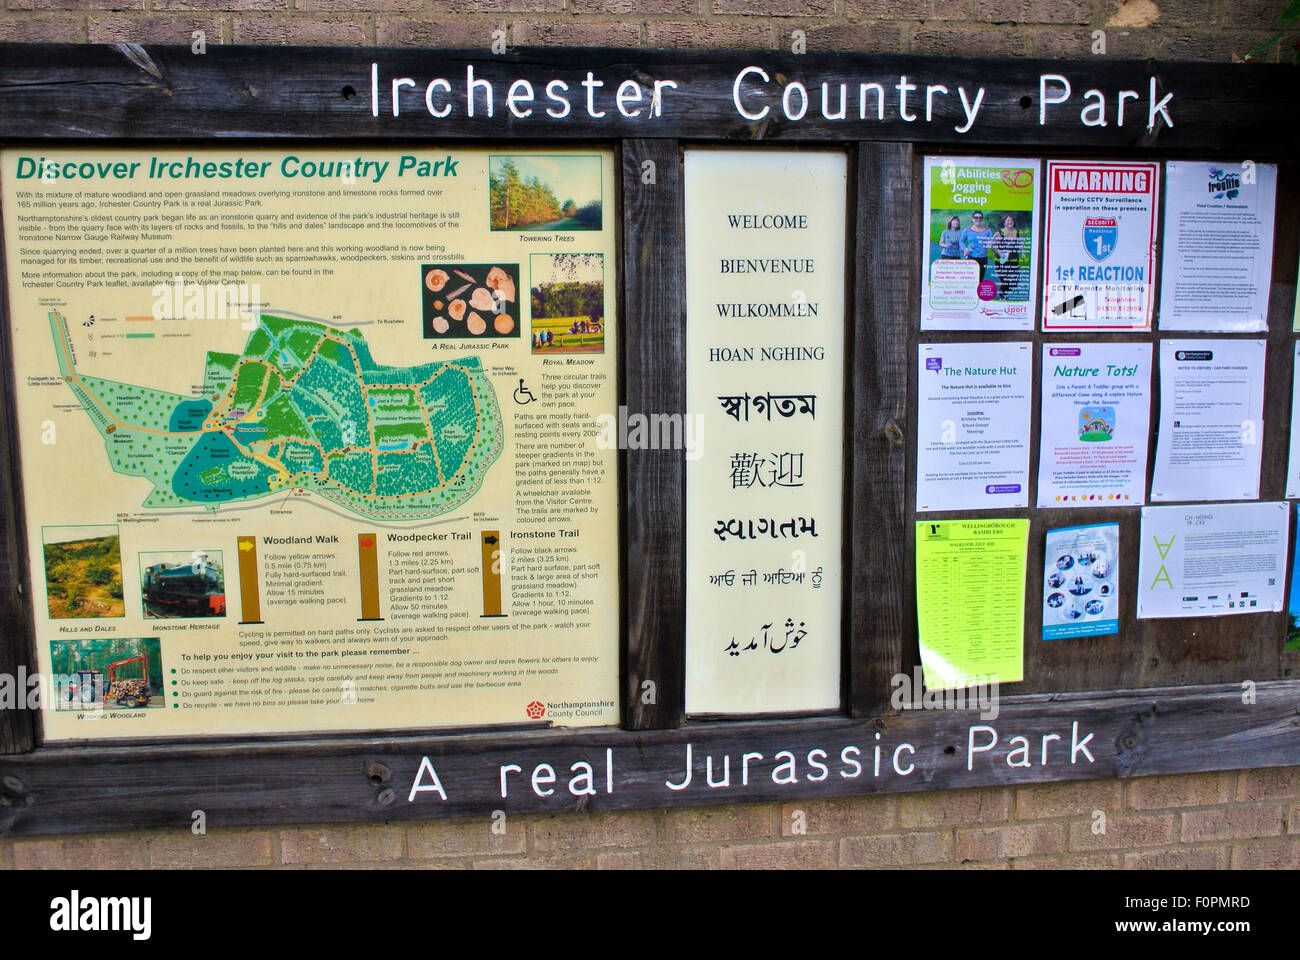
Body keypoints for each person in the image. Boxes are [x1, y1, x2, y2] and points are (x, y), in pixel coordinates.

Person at [991, 214, 1025, 300]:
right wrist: (999, 252)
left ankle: (1006, 293)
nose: (1010, 222)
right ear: (1004, 222)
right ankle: (1002, 296)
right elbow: (992, 246)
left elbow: (1021, 243)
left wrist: (1023, 252)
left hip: (1013, 259)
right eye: (1008, 220)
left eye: (1011, 220)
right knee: (1005, 280)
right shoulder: (999, 233)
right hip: (1001, 260)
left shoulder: (1016, 232)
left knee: (1014, 280)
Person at [960, 211, 993, 281]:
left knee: (980, 279)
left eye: (980, 218)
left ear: (982, 219)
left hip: (983, 258)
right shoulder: (967, 230)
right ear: (972, 219)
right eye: (976, 217)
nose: (978, 219)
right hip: (971, 257)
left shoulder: (988, 231)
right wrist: (965, 249)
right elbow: (961, 241)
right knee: (971, 280)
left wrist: (990, 244)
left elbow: (991, 242)